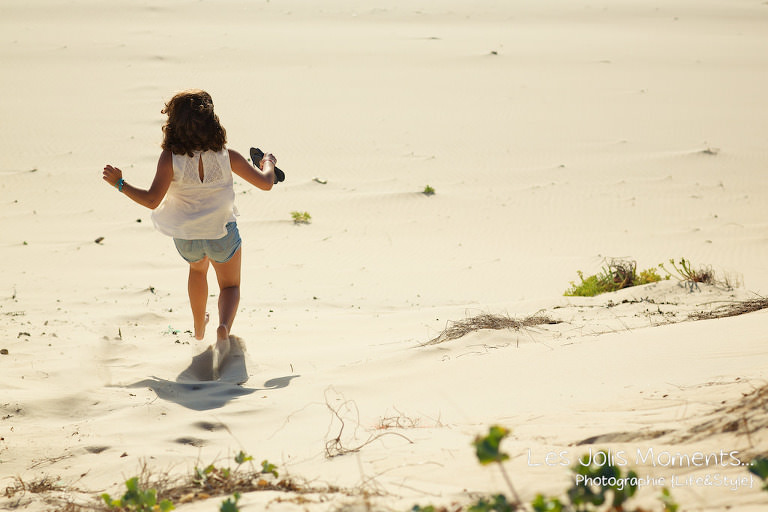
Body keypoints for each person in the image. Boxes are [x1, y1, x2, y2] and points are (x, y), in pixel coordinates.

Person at [102, 89, 276, 378]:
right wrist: (267, 161)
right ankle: (223, 328)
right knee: (230, 287)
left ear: (174, 126)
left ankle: (198, 330)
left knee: (197, 272)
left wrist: (120, 184)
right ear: (212, 122)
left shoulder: (170, 158)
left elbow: (151, 200)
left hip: (187, 237)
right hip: (222, 234)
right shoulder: (227, 156)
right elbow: (266, 184)